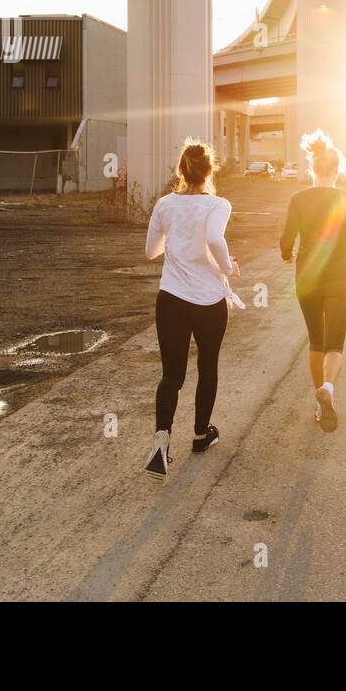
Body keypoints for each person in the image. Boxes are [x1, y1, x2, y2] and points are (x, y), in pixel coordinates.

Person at [143, 140, 240, 480]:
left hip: (170, 298)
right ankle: (201, 435)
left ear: (180, 171)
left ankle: (161, 438)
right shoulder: (218, 205)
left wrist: (175, 238)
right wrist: (228, 267)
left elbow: (151, 251)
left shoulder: (165, 204)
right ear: (210, 171)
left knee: (172, 375)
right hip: (209, 300)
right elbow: (214, 239)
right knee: (207, 366)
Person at [279, 130, 346, 432]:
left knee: (316, 340)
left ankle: (321, 405)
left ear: (312, 168)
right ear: (337, 169)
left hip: (307, 278)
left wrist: (289, 255)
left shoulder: (298, 199)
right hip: (340, 276)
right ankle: (328, 387)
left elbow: (285, 243)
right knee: (335, 343)